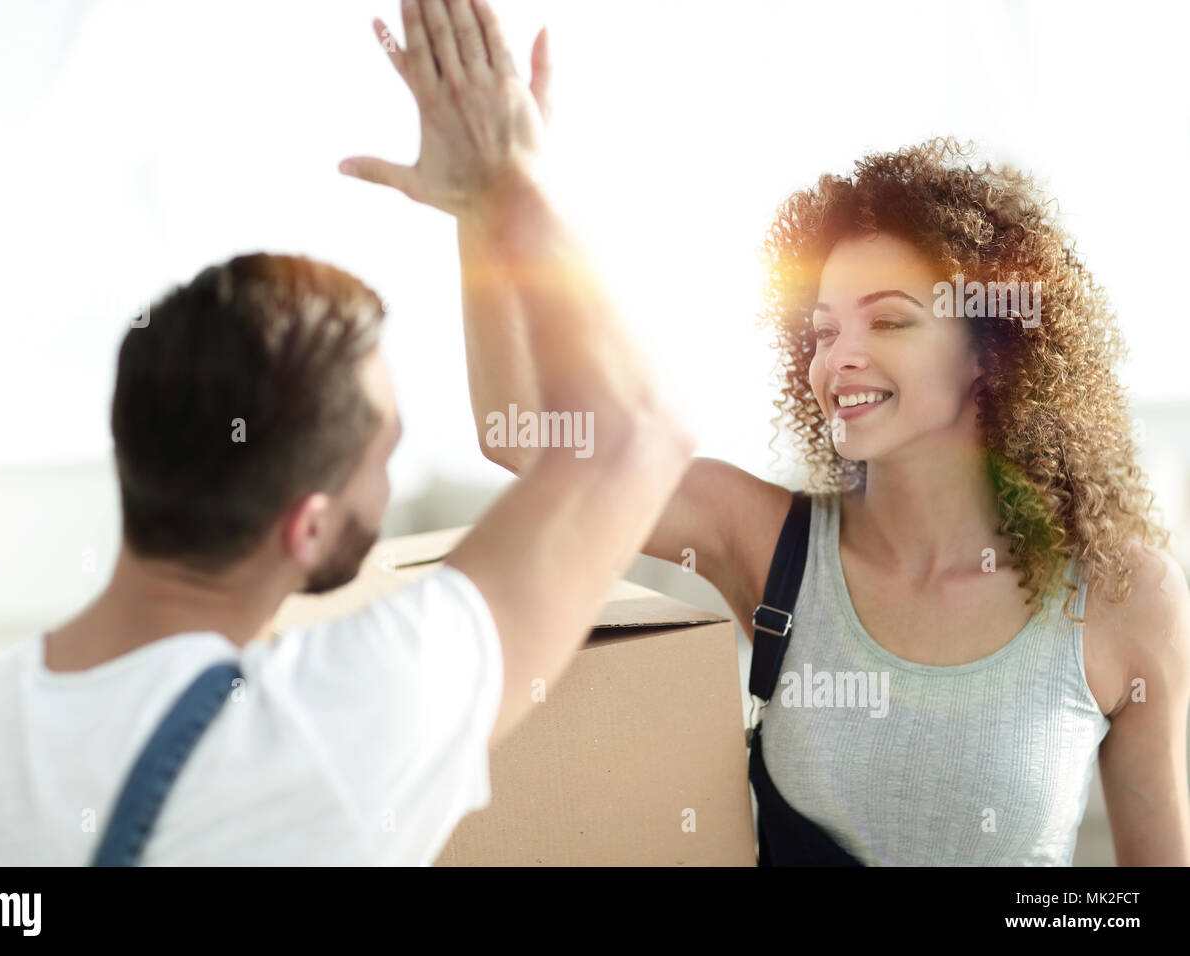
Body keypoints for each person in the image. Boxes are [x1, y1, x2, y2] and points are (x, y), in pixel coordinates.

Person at [0, 0, 694, 866]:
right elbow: (635, 436)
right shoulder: (323, 731)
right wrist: (510, 182)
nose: (389, 484)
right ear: (306, 527)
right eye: (383, 456)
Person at [421, 35, 1190, 863]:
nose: (840, 358)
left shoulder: (1122, 596)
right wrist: (489, 201)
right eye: (823, 333)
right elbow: (519, 433)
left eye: (889, 320)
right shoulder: (762, 540)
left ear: (988, 351)